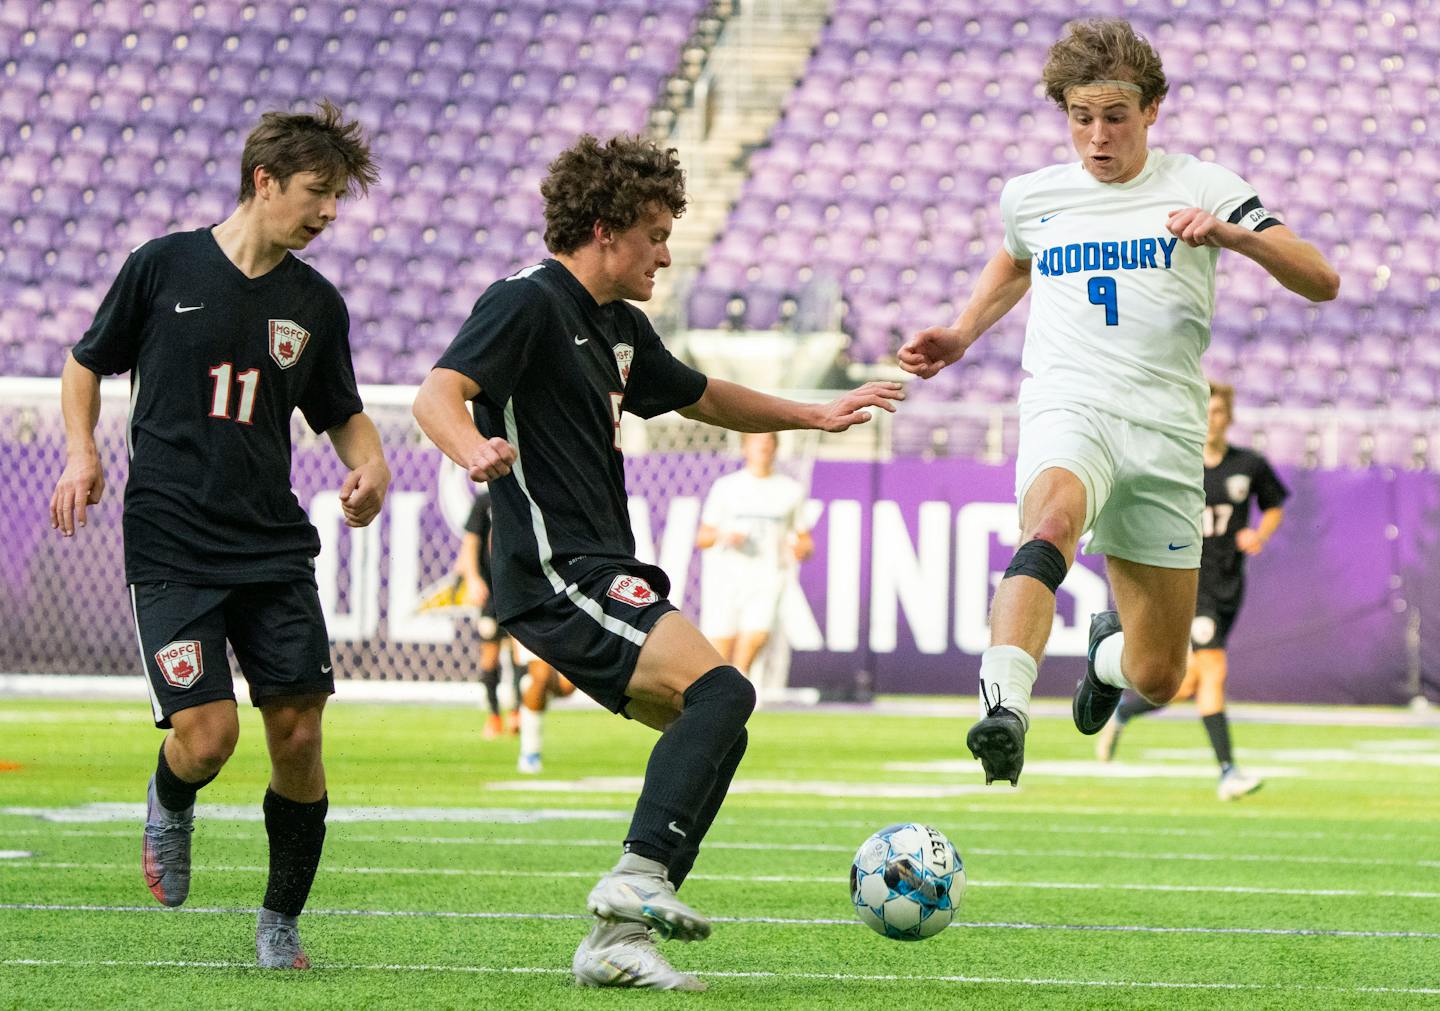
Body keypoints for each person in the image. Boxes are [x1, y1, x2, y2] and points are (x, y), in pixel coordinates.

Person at [411, 132, 902, 991]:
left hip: (599, 563)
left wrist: (814, 417)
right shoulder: (526, 302)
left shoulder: (621, 328)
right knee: (722, 691)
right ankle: (637, 880)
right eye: (655, 234)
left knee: (715, 724)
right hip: (559, 567)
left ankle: (617, 939)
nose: (668, 253)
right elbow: (436, 392)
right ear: (604, 229)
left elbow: (702, 392)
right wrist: (472, 448)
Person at [899, 18, 1337, 787]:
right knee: (1051, 520)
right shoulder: (1033, 197)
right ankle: (1004, 703)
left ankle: (1106, 651)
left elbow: (1320, 278)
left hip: (1167, 435)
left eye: (1115, 116)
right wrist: (965, 331)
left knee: (1161, 674)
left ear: (1153, 109)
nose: (1097, 137)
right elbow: (1015, 258)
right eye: (1080, 117)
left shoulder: (1202, 184)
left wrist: (1236, 237)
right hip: (1071, 407)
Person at [48, 101, 386, 969]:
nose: (329, 213)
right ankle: (171, 793)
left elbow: (342, 414)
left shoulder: (316, 303)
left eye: (339, 198)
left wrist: (370, 466)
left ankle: (280, 921)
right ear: (264, 180)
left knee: (300, 734)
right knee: (209, 736)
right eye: (318, 192)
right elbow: (85, 362)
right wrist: (81, 453)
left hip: (272, 545)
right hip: (170, 544)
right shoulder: (162, 266)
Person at [1096, 381, 1287, 800]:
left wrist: (1260, 535)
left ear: (1228, 418)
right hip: (1190, 580)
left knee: (1187, 683)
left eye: (1218, 412)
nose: (1211, 419)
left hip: (1229, 585)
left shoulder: (1248, 465)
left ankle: (1124, 712)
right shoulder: (1177, 464)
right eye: (1205, 411)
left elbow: (1275, 502)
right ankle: (1227, 771)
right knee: (1214, 671)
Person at [696, 431, 813, 685]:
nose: (764, 445)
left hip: (767, 575)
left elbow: (803, 537)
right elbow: (703, 536)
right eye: (757, 440)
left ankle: (738, 684)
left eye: (769, 440)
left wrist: (802, 548)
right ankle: (719, 691)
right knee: (720, 643)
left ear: (776, 447)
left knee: (756, 635)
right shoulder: (726, 487)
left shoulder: (790, 490)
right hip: (725, 577)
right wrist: (726, 535)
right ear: (745, 447)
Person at [454, 485, 521, 739]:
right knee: (489, 656)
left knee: (520, 654)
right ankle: (494, 715)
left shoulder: (522, 497)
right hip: (491, 593)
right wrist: (472, 578)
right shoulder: (485, 502)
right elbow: (471, 542)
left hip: (518, 589)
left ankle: (517, 712)